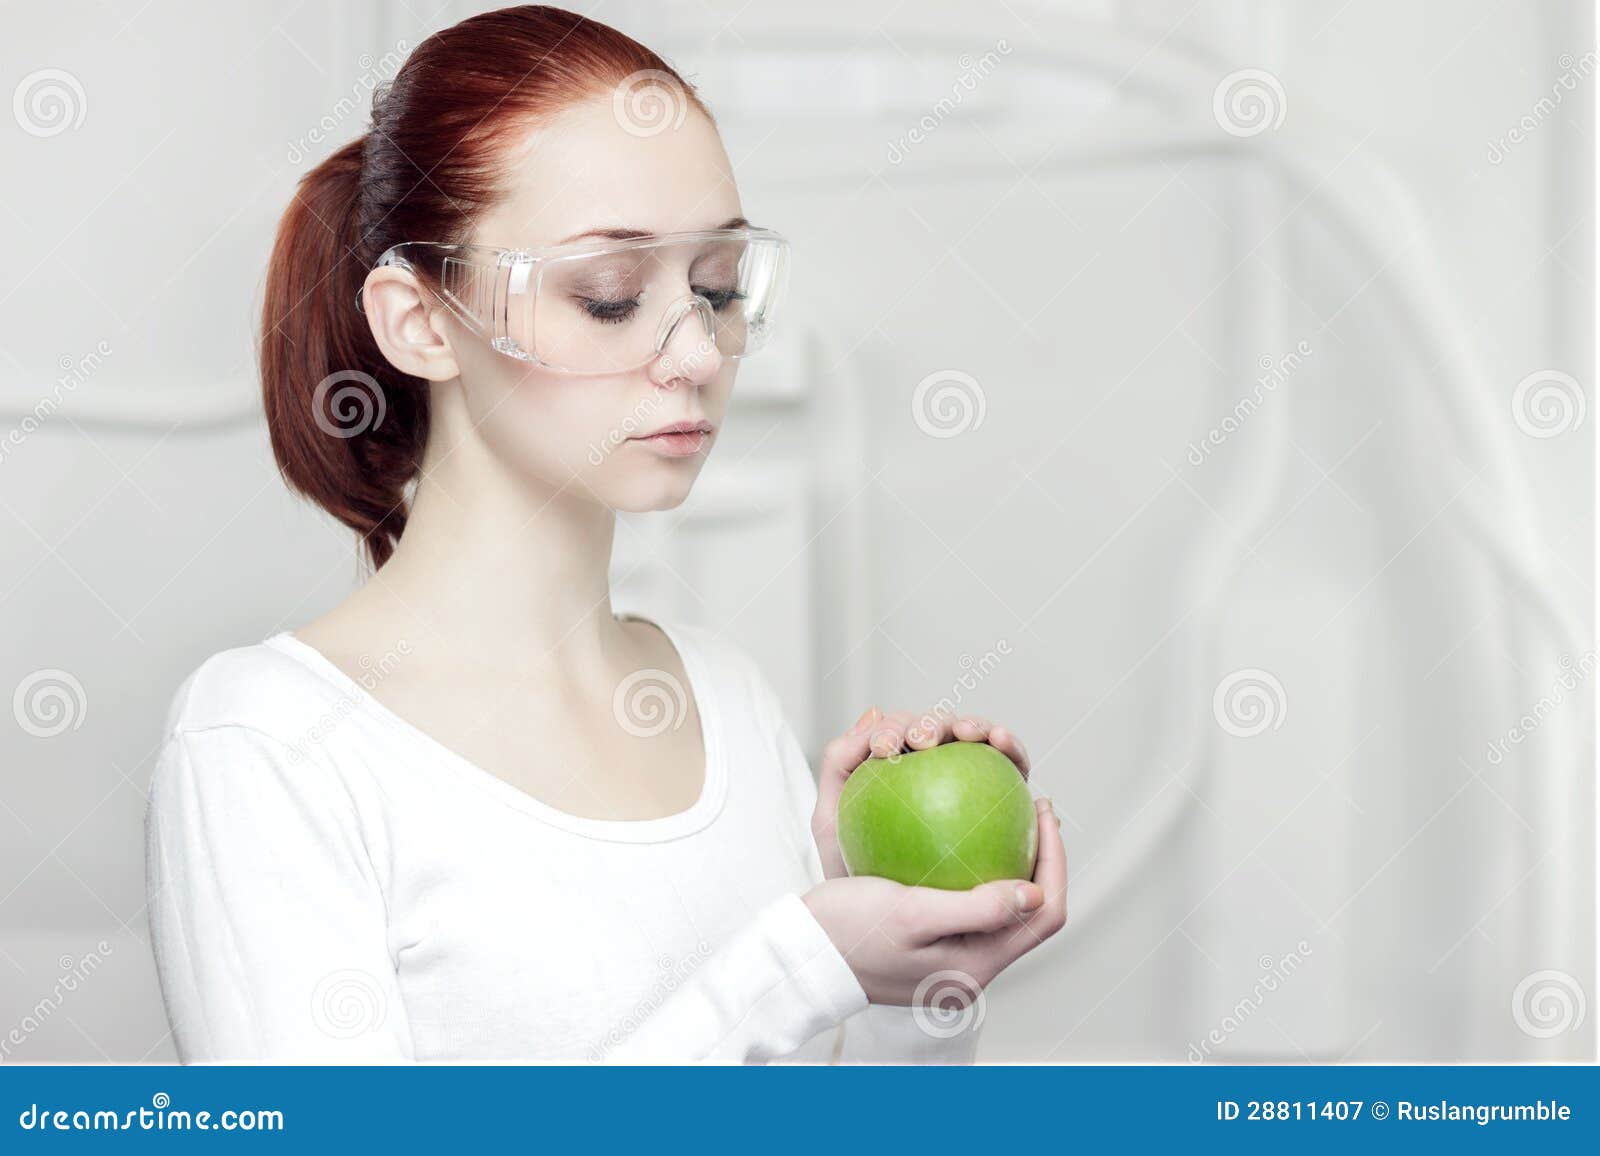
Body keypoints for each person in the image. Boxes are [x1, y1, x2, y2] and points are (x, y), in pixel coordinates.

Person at [143, 4, 1065, 1063]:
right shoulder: (269, 744)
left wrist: (911, 980)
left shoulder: (727, 700)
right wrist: (799, 967)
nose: (698, 354)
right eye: (610, 296)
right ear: (421, 322)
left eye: (717, 288)